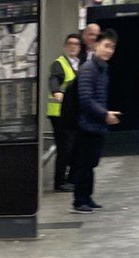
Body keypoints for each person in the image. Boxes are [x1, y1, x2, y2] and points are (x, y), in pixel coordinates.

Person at [69, 29, 121, 214]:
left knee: (91, 163)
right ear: (96, 45)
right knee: (84, 164)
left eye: (112, 47)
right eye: (106, 46)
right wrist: (105, 114)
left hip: (97, 125)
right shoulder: (88, 69)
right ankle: (79, 201)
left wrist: (105, 115)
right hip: (86, 125)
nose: (109, 51)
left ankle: (87, 197)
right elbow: (86, 99)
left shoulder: (102, 68)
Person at [46, 33, 82, 192]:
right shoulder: (59, 63)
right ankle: (59, 182)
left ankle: (70, 179)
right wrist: (56, 91)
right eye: (70, 43)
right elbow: (53, 79)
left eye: (76, 44)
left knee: (74, 147)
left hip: (72, 113)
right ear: (65, 46)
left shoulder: (79, 64)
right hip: (59, 114)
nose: (73, 46)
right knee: (64, 148)